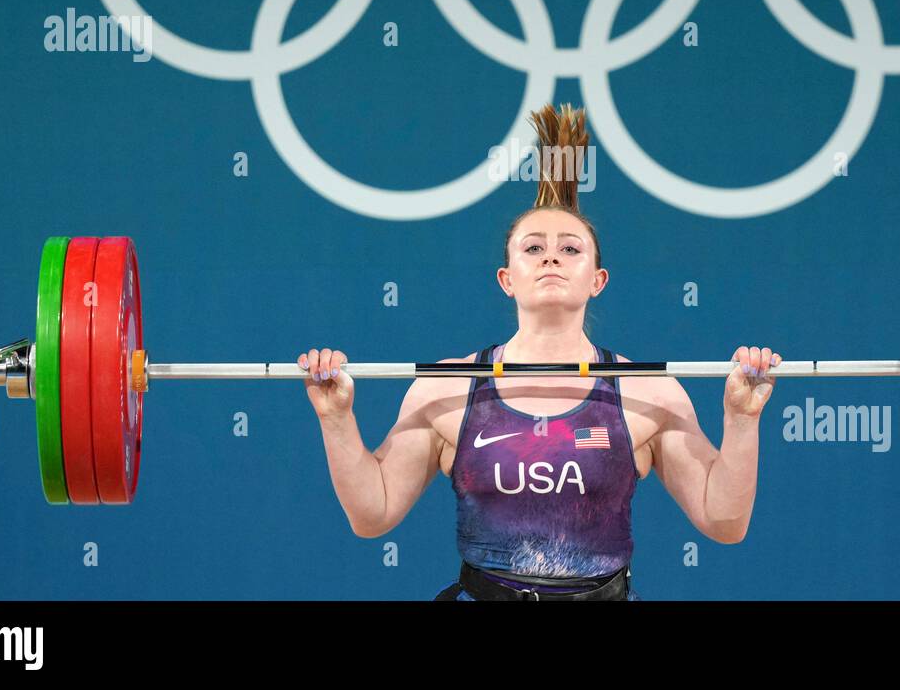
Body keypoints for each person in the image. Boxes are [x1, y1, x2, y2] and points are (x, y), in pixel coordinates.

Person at [298, 103, 780, 600]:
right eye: (533, 248)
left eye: (571, 248)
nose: (551, 255)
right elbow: (372, 514)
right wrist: (336, 418)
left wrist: (742, 419)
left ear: (598, 280)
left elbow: (725, 523)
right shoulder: (448, 386)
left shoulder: (648, 390)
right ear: (507, 279)